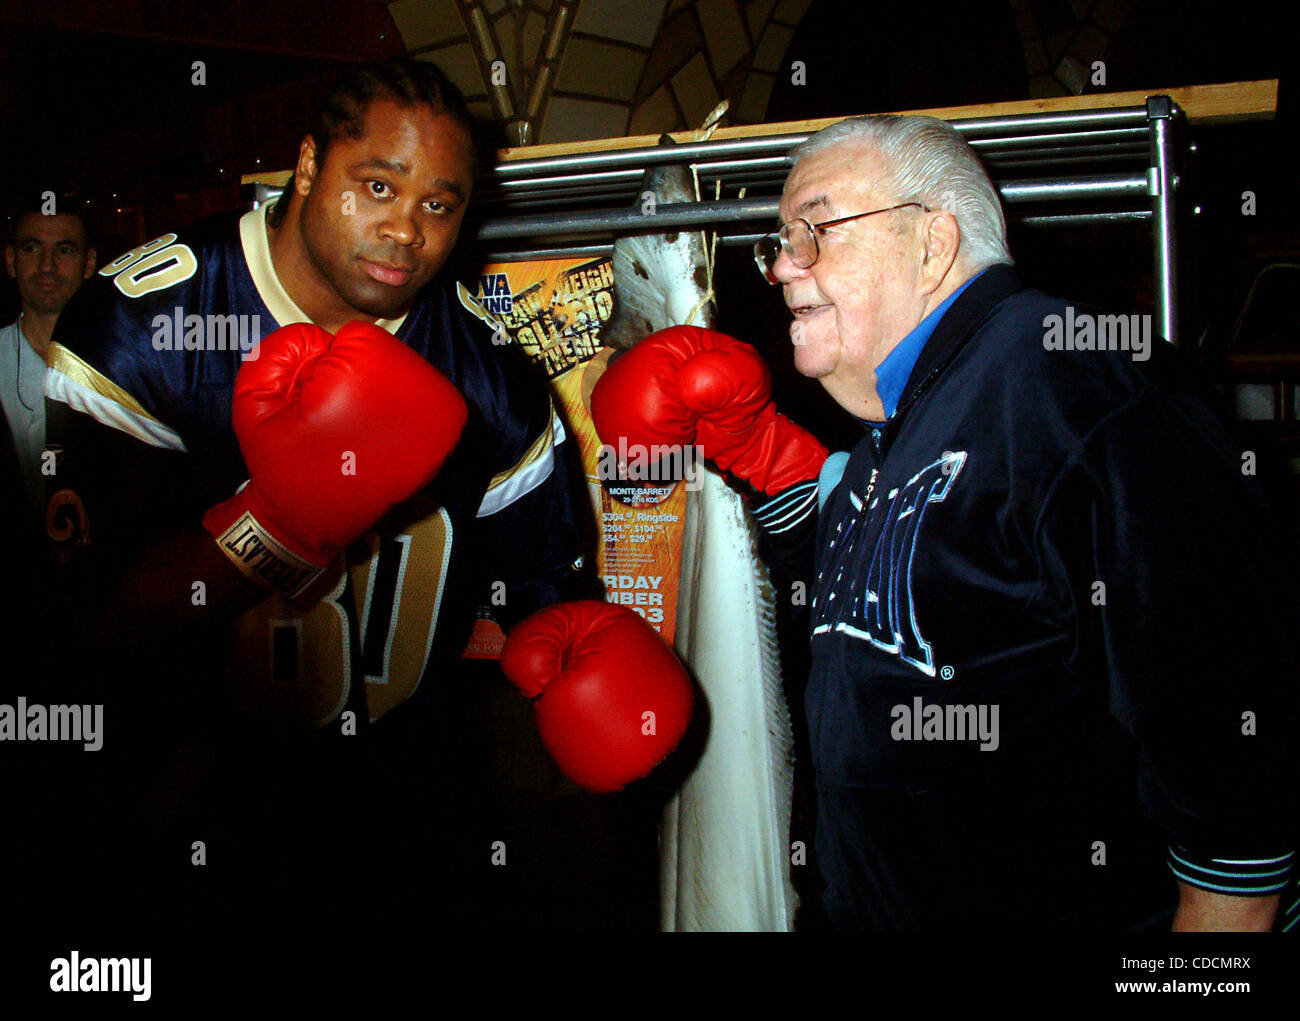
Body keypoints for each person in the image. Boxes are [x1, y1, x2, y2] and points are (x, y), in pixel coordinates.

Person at [592, 114, 1299, 931]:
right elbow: (869, 596)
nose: (783, 264)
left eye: (814, 229)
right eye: (780, 240)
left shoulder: (1073, 379)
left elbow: (1235, 742)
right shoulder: (907, 420)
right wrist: (760, 449)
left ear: (932, 243)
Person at [28, 58, 680, 929]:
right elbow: (90, 621)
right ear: (307, 167)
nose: (406, 231)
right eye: (377, 185)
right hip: (181, 808)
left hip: (403, 812)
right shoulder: (148, 326)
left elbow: (546, 593)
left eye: (438, 206)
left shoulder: (488, 373)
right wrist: (285, 521)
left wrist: (585, 665)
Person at [2, 201, 96, 525]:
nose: (47, 266)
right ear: (11, 260)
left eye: (65, 250)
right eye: (32, 248)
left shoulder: (124, 363)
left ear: (89, 263)